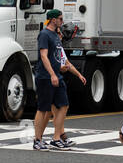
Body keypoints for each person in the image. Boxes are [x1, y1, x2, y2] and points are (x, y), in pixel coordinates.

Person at [32, 9, 86, 150]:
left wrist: (78, 74)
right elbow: (44, 56)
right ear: (53, 19)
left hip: (57, 76)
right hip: (45, 77)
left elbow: (62, 59)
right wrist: (52, 74)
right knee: (43, 109)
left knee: (64, 105)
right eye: (60, 19)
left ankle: (57, 138)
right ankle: (37, 140)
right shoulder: (44, 34)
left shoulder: (56, 35)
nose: (62, 22)